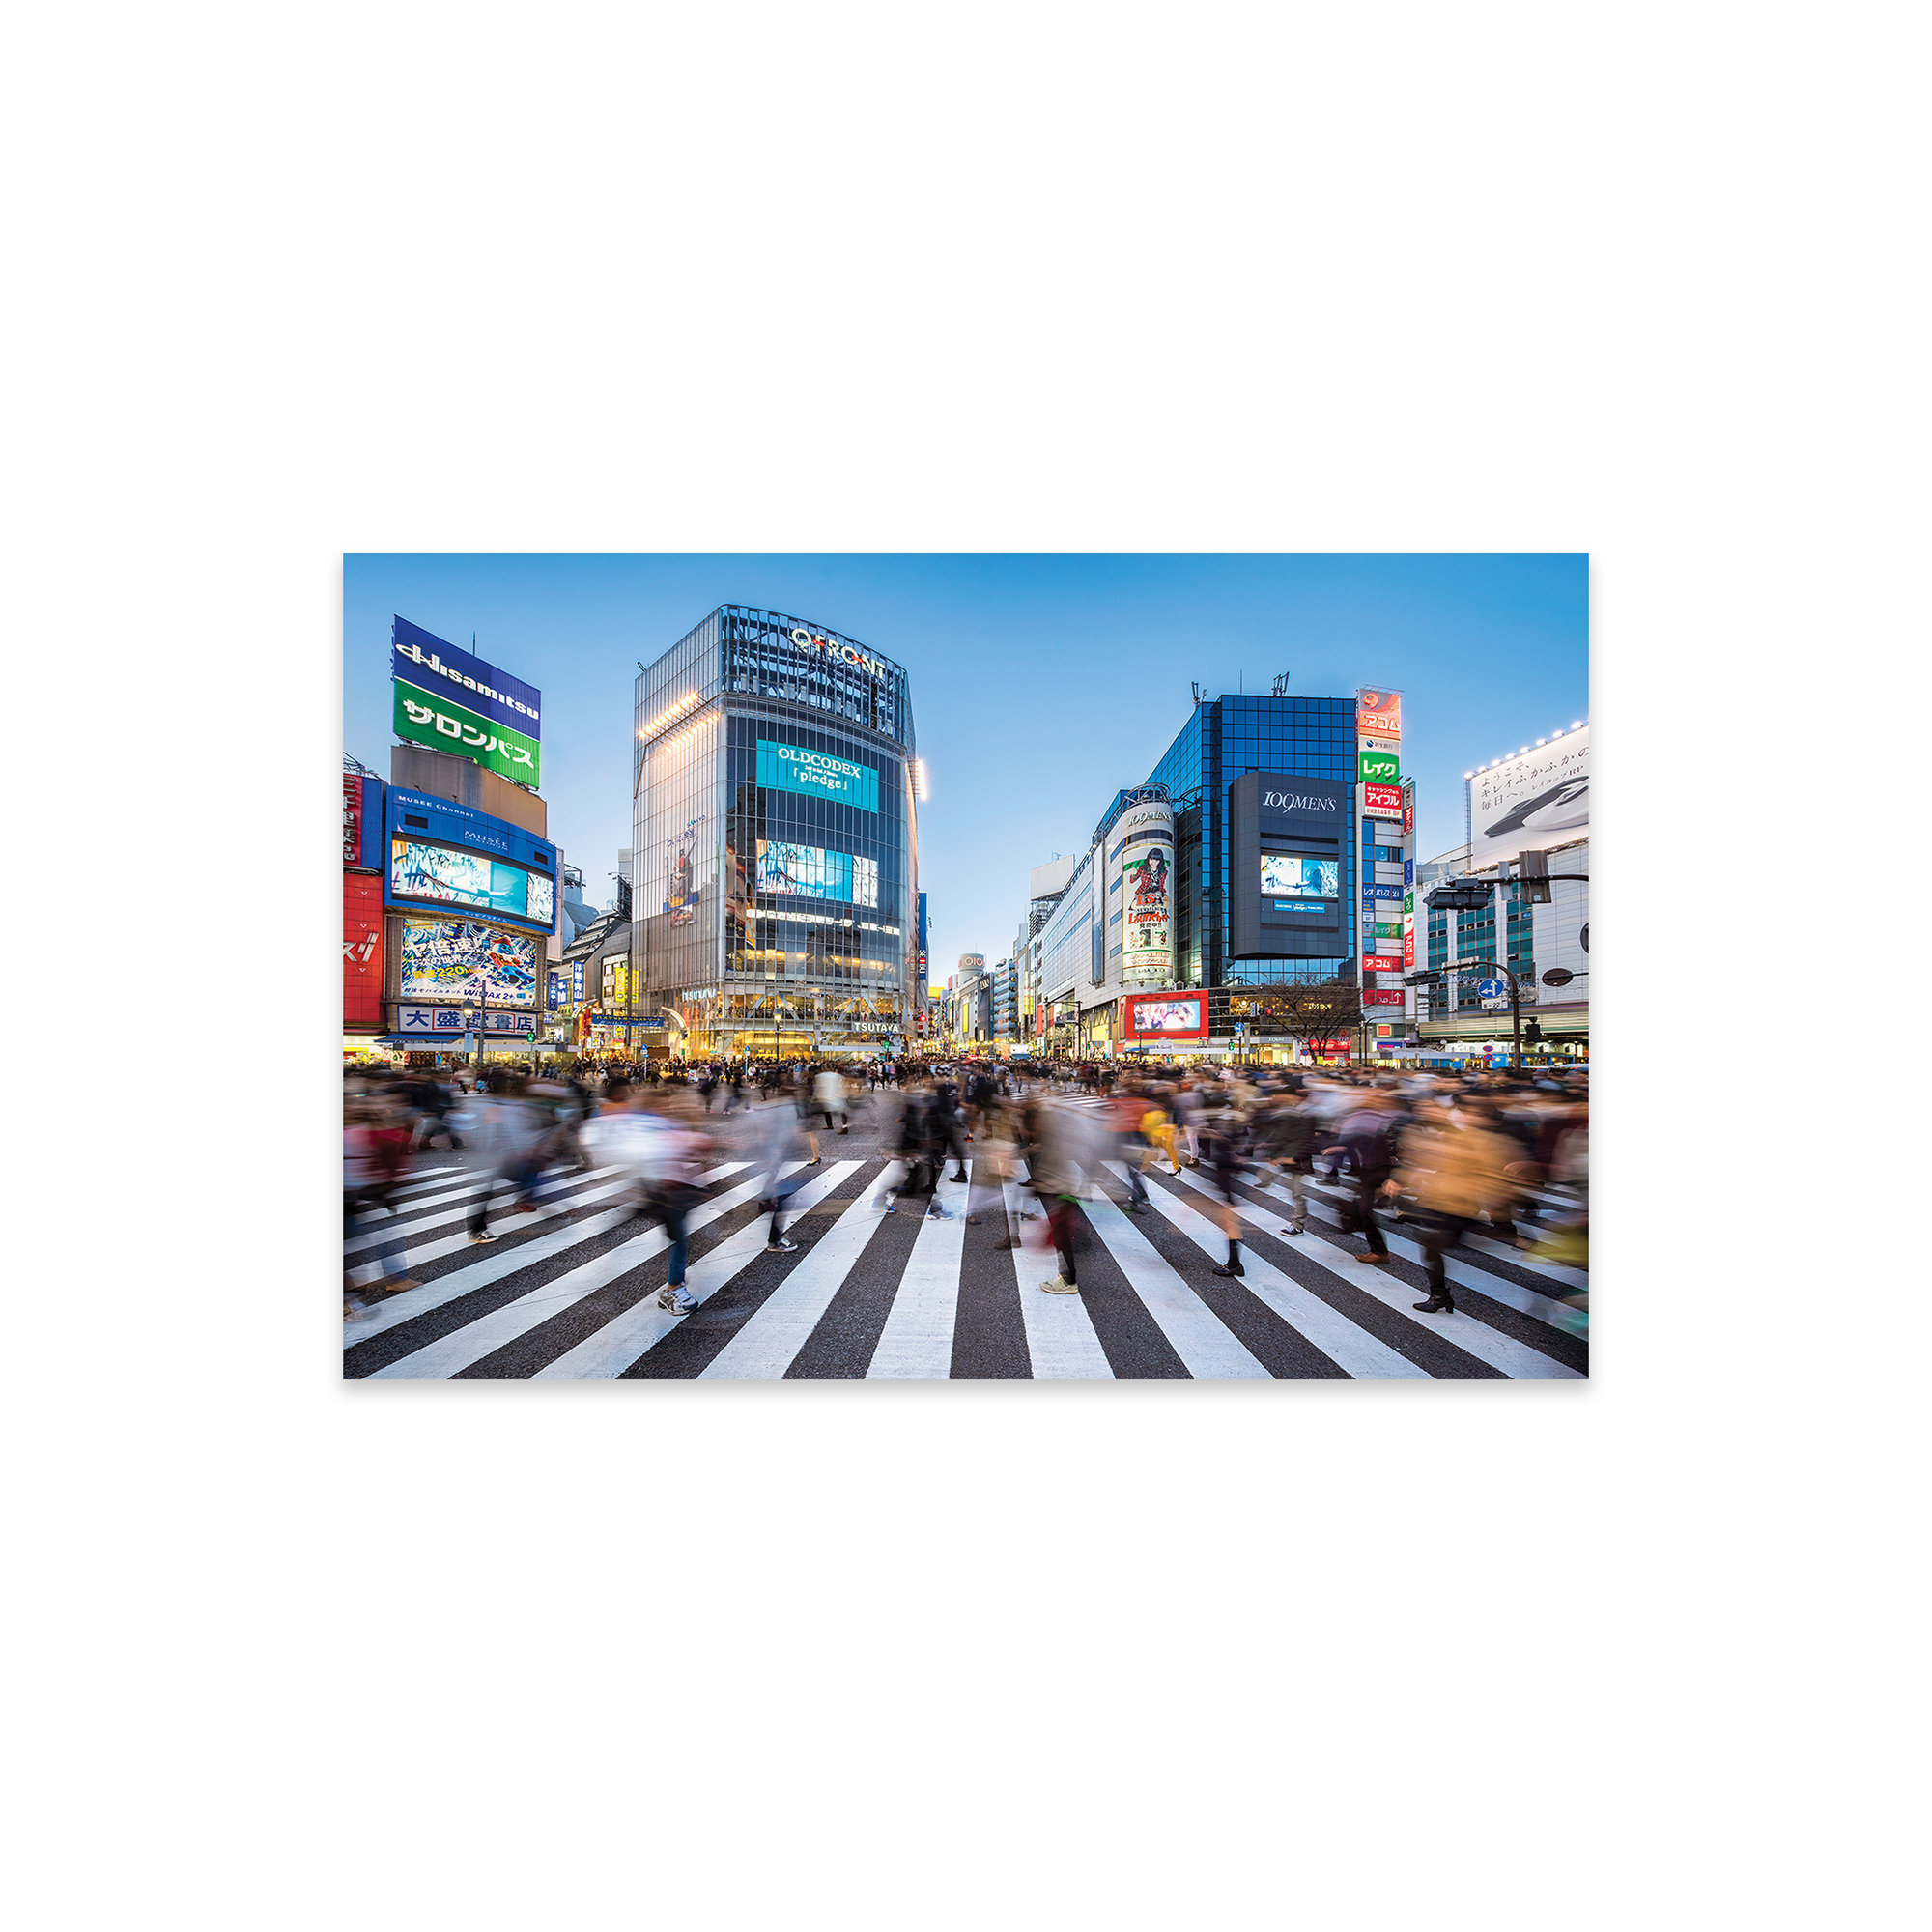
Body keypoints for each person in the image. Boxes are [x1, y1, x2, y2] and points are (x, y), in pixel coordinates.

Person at [1389, 1101, 1521, 1313]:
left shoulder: (1491, 1142)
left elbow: (1496, 1175)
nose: (1463, 1116)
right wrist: (1400, 1179)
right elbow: (1427, 1161)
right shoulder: (1456, 1137)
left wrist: (1497, 1200)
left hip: (1462, 1204)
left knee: (1432, 1243)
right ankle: (1440, 1294)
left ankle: (1440, 1295)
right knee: (1431, 1244)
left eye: (1471, 1112)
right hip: (1447, 1202)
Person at [343, 1094, 419, 1320]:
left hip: (354, 1198)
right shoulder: (356, 1135)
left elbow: (366, 1166)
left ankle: (356, 1296)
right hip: (353, 1198)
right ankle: (351, 1300)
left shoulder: (359, 1135)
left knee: (356, 1243)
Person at [1321, 1089, 1400, 1265]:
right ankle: (1357, 1227)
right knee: (1362, 1207)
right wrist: (1339, 1148)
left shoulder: (1376, 1121)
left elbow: (1386, 1147)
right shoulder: (1368, 1120)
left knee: (1364, 1209)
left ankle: (1379, 1251)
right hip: (1369, 1170)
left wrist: (1391, 1178)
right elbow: (1355, 1141)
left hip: (1378, 1169)